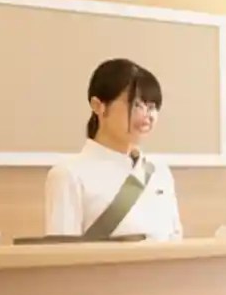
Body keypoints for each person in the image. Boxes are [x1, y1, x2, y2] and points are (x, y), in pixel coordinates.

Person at [44, 58, 183, 241]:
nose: (147, 116)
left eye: (152, 107)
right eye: (136, 105)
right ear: (98, 106)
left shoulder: (160, 172)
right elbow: (61, 259)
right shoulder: (68, 175)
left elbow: (175, 242)